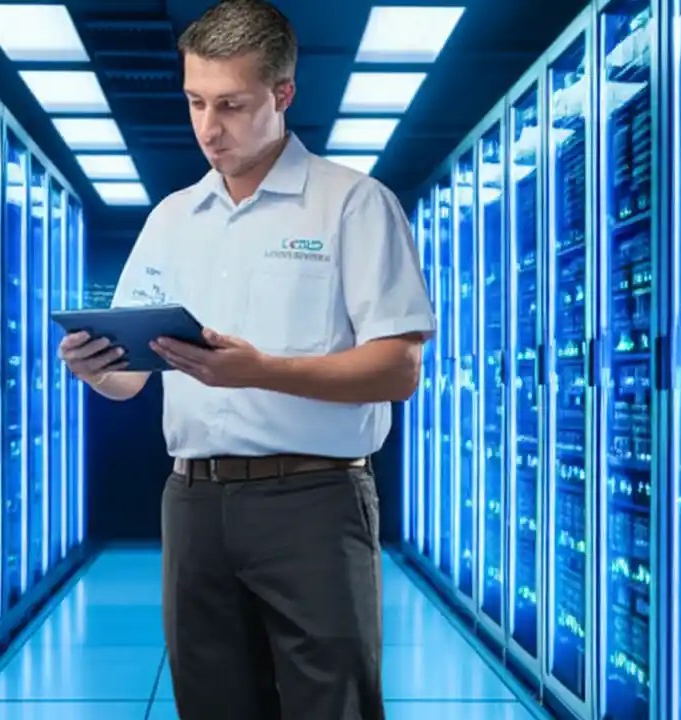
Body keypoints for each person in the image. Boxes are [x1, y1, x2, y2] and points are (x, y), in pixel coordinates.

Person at [57, 1, 434, 717]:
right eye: (196, 102)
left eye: (230, 104)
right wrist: (97, 367)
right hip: (193, 503)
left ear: (282, 94)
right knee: (211, 704)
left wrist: (261, 371)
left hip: (315, 500)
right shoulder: (172, 218)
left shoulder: (352, 205)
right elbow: (131, 378)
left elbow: (398, 369)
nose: (208, 127)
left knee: (332, 703)